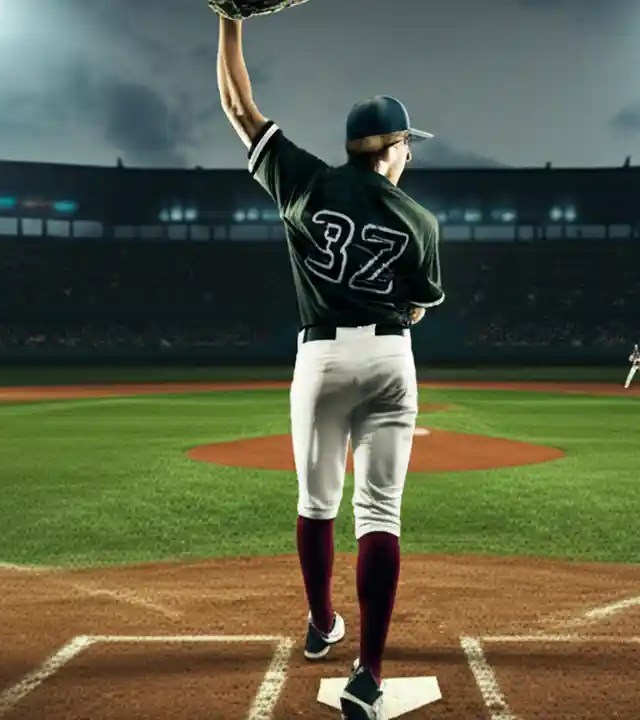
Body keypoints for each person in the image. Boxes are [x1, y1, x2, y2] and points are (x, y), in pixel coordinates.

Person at [216, 13, 444, 720]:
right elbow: (417, 307)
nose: (410, 153)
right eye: (407, 142)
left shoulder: (305, 180)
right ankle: (368, 675)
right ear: (394, 148)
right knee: (380, 514)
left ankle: (321, 623)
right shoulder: (419, 221)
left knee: (316, 504)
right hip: (385, 356)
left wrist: (228, 20)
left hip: (317, 356)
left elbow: (237, 107)